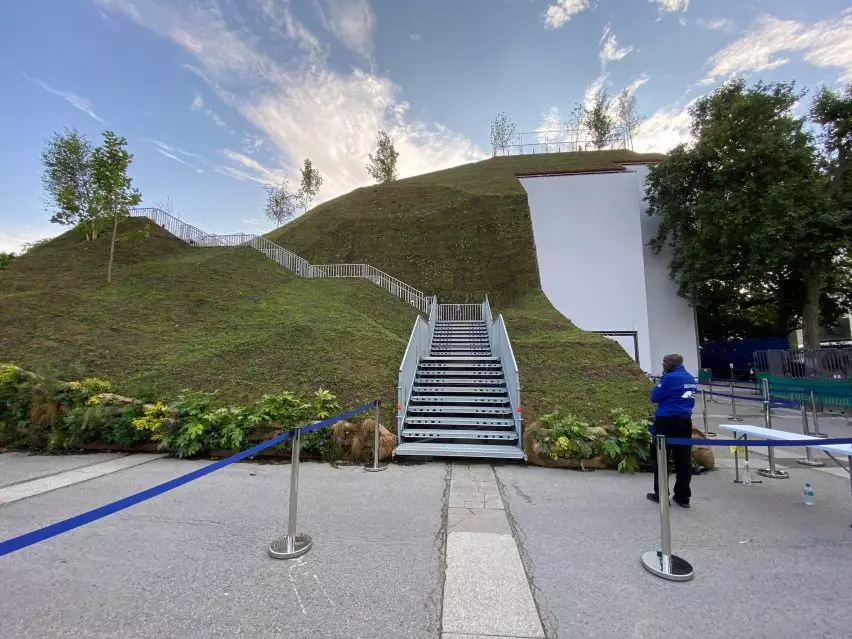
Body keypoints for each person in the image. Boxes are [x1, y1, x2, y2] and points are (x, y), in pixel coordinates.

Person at [647, 353, 697, 509]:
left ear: (673, 363)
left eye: (665, 362)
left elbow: (655, 397)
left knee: (661, 459)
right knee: (683, 460)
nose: (662, 364)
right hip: (684, 422)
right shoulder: (689, 377)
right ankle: (683, 496)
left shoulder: (669, 378)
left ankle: (660, 494)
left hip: (666, 423)